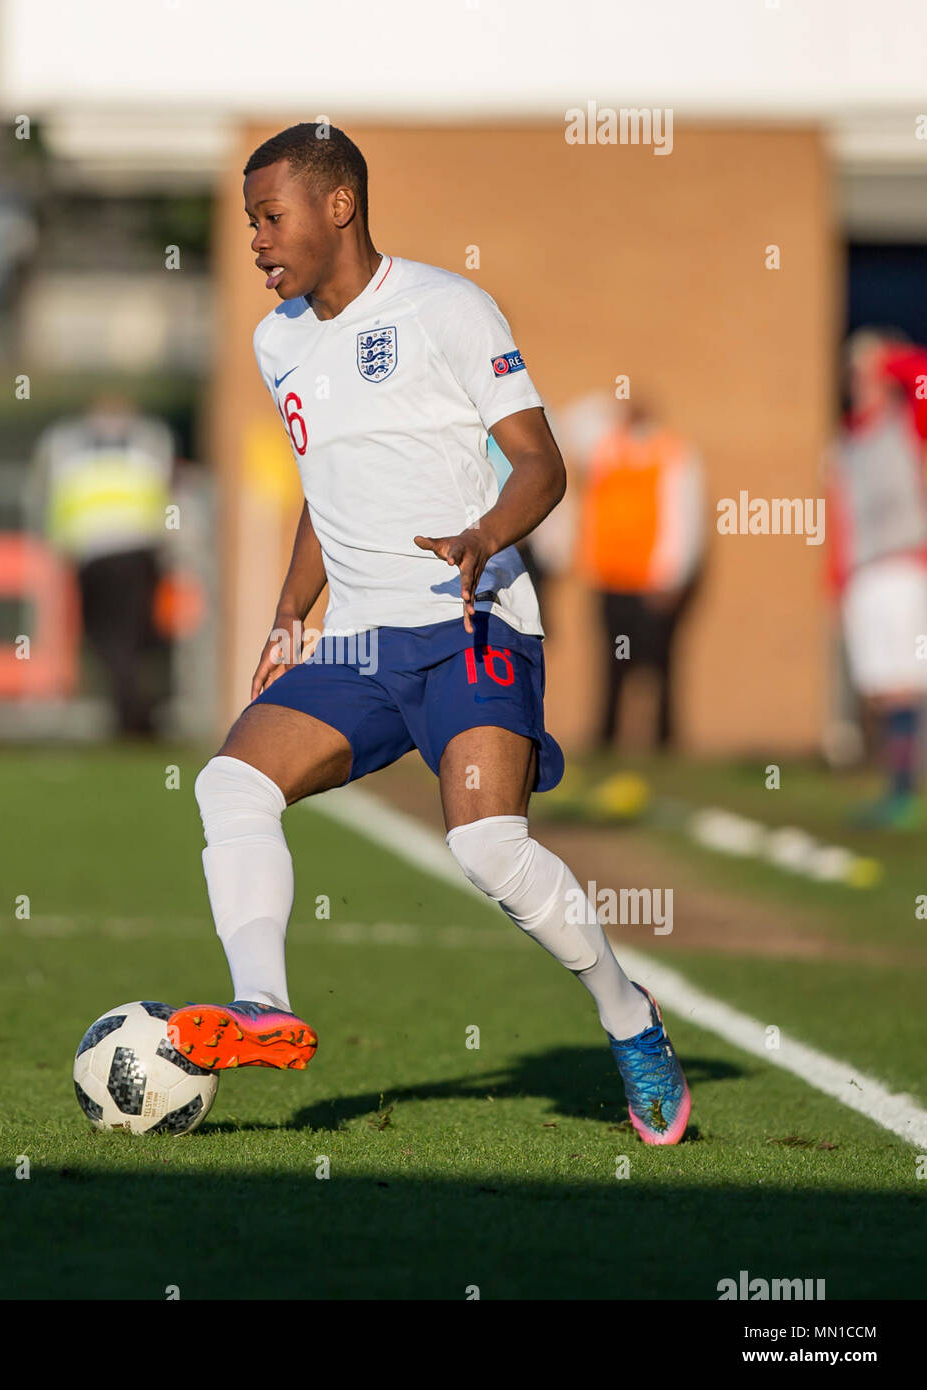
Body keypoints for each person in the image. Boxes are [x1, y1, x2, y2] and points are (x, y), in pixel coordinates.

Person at [165, 124, 690, 1145]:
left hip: (472, 621)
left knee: (489, 847)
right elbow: (329, 487)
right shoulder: (279, 341)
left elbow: (542, 467)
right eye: (249, 223)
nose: (259, 242)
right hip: (362, 642)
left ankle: (631, 1019)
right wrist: (290, 610)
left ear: (338, 207)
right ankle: (264, 1006)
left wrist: (482, 537)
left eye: (271, 219)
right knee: (230, 782)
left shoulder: (450, 307)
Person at [557, 390, 704, 750]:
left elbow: (684, 517)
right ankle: (606, 736)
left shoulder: (672, 453)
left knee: (659, 663)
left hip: (652, 582)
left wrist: (671, 576)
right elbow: (566, 425)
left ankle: (664, 740)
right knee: (611, 662)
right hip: (610, 578)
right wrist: (611, 405)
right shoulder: (606, 449)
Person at [29, 391, 175, 736]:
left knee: (109, 638)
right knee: (133, 636)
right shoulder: (149, 441)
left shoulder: (64, 445)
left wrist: (56, 546)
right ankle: (135, 711)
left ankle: (129, 712)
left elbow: (43, 496)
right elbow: (168, 493)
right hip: (137, 550)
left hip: (93, 552)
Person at [827, 329, 927, 829]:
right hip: (864, 575)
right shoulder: (844, 442)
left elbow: (923, 374)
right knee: (882, 687)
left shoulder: (907, 420)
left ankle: (906, 793)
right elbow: (841, 518)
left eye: (867, 374)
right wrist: (838, 581)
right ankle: (895, 788)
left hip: (904, 566)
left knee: (907, 682)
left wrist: (890, 358)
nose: (859, 381)